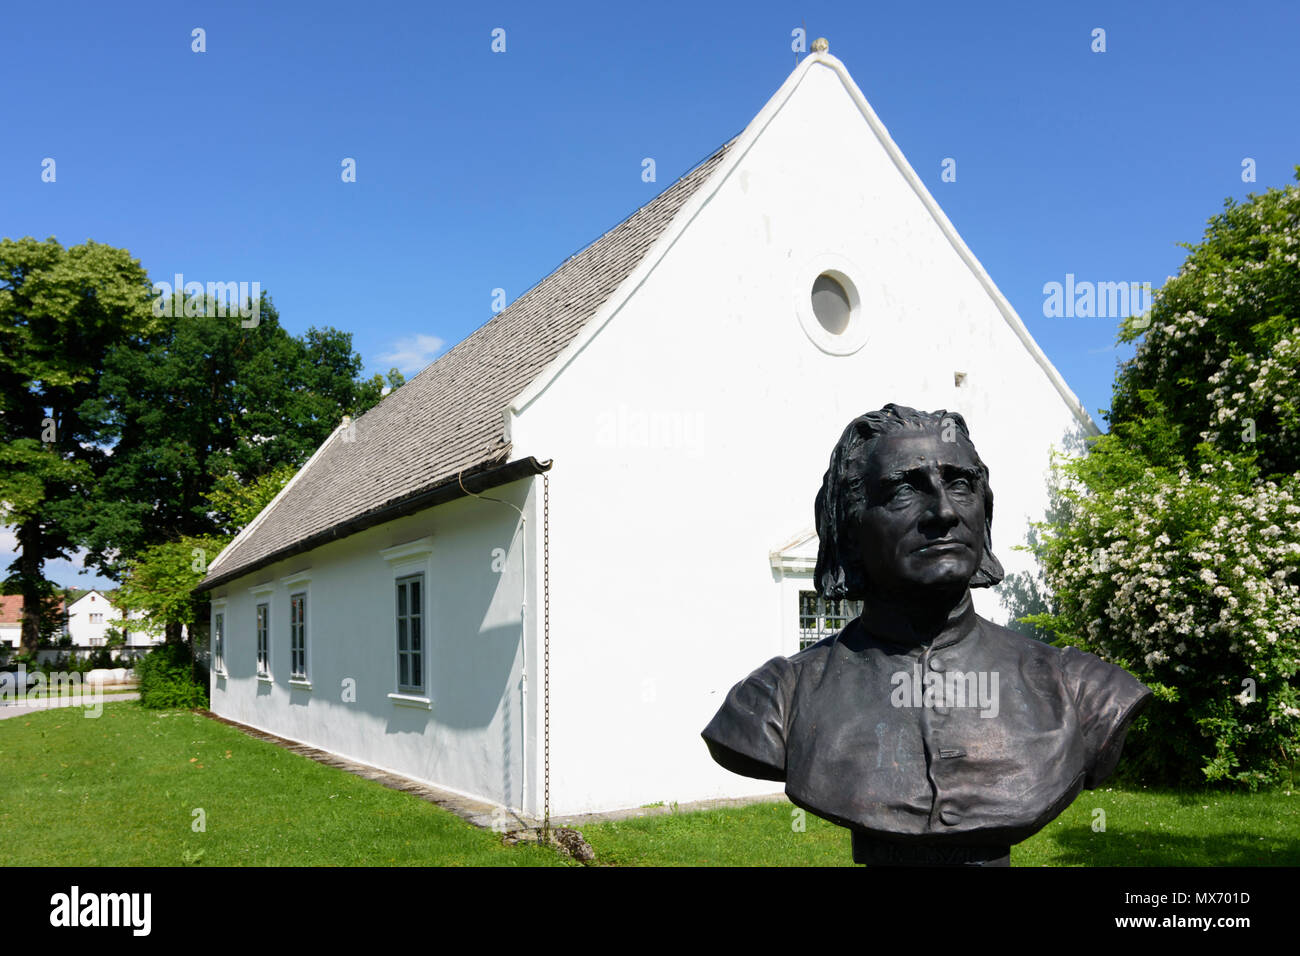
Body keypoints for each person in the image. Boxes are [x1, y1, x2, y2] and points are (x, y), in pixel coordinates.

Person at [701, 405, 1152, 866]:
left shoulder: (1082, 690)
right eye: (903, 489)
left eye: (961, 484)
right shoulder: (778, 698)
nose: (943, 511)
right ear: (850, 526)